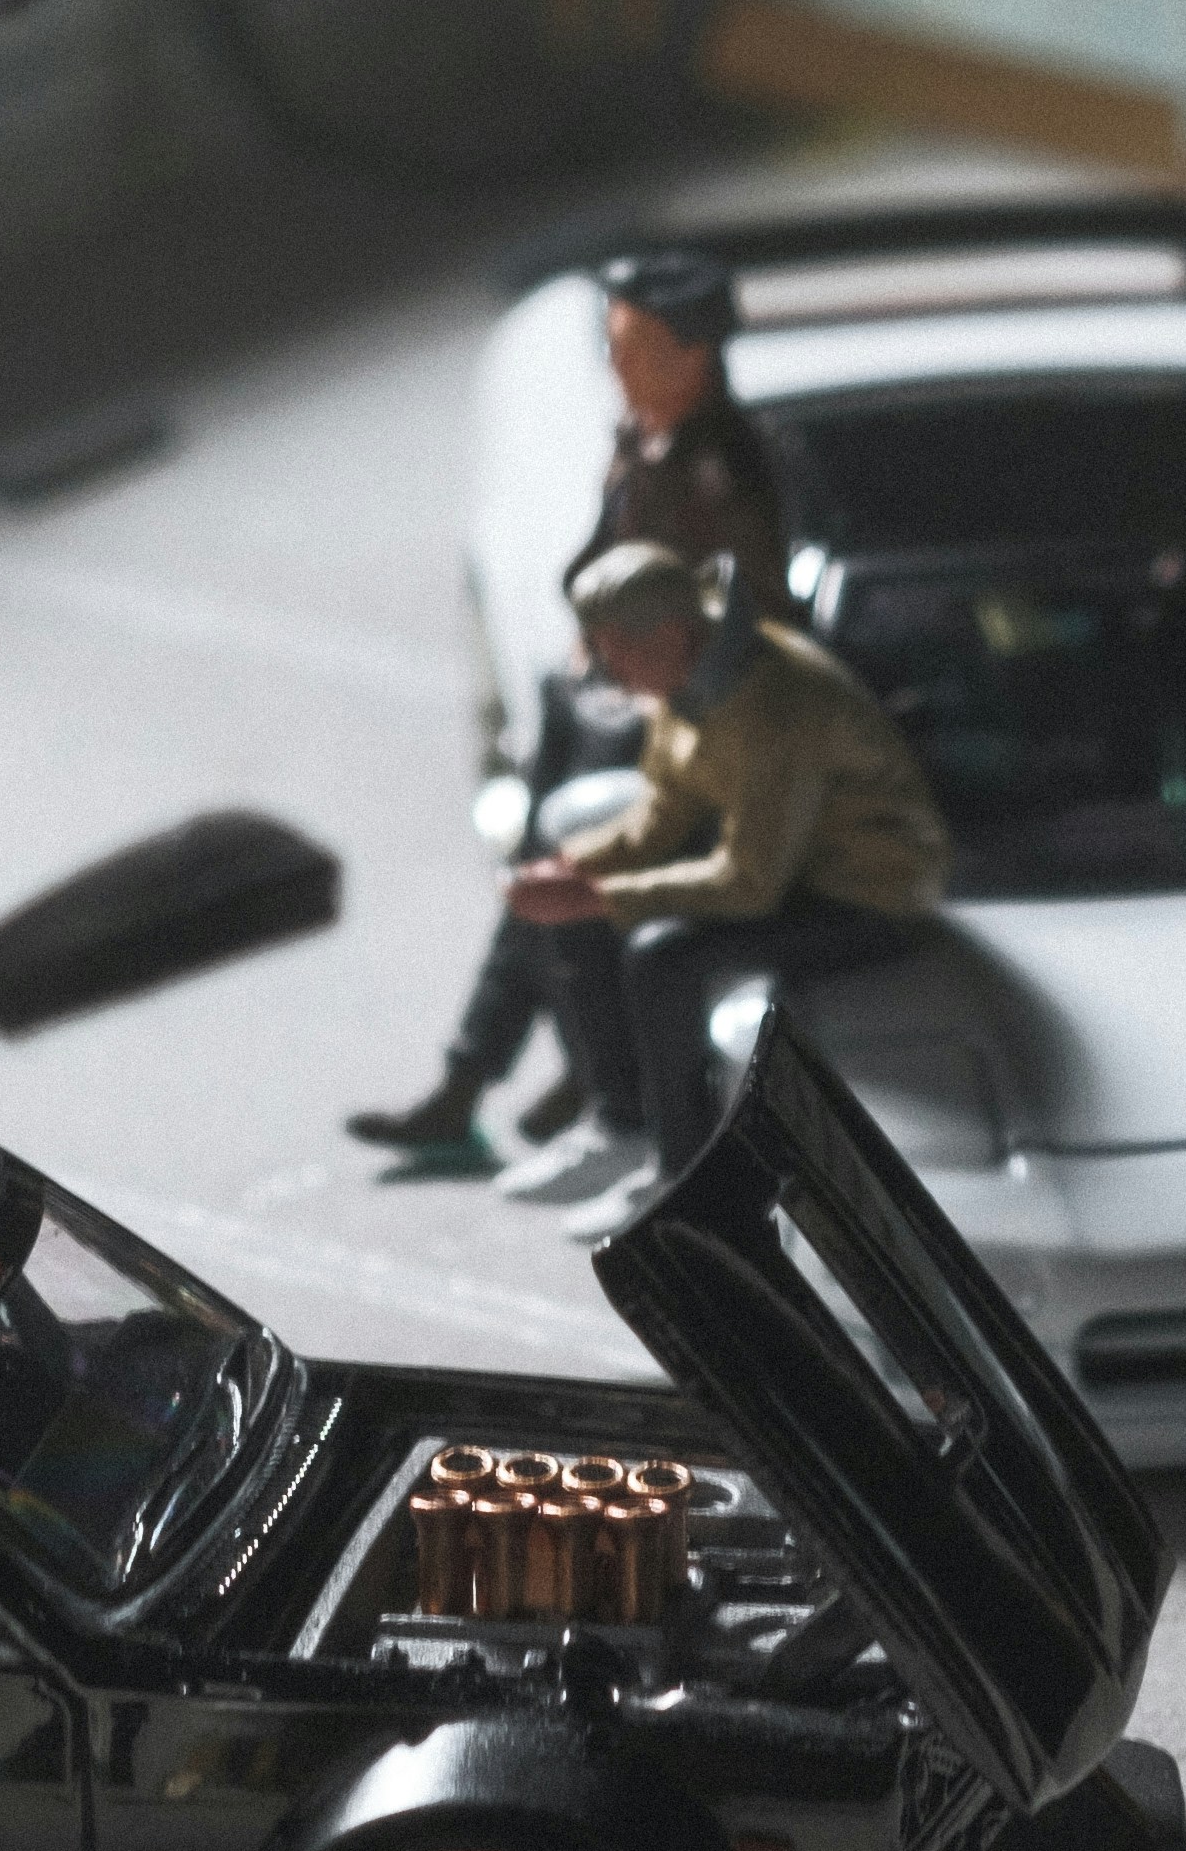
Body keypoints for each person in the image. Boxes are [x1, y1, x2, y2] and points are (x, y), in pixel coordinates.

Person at [344, 251, 796, 1177]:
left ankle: (516, 1083)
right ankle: (523, 1079)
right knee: (536, 870)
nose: (616, 366)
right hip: (596, 704)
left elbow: (747, 630)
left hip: (663, 736)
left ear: (694, 357)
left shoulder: (722, 482)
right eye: (611, 345)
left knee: (555, 875)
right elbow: (588, 565)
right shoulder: (642, 443)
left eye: (633, 347)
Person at [486, 536, 952, 1197]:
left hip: (869, 890)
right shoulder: (688, 684)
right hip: (794, 871)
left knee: (663, 956)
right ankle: (624, 1123)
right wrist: (569, 867)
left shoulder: (774, 704)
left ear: (672, 632)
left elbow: (750, 883)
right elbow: (661, 814)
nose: (606, 673)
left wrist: (598, 896)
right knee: (584, 925)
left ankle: (687, 1175)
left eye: (616, 650)